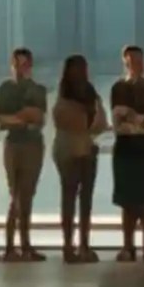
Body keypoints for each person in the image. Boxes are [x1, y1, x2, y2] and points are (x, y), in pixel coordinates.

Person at [52, 54, 107, 264]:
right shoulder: (63, 94)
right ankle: (68, 245)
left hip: (87, 149)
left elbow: (99, 121)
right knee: (69, 196)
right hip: (68, 151)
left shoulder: (90, 92)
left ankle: (84, 243)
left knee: (86, 199)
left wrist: (89, 117)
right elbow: (69, 120)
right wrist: (87, 116)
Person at [0, 47, 48, 262]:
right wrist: (23, 118)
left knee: (27, 196)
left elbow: (39, 120)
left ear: (30, 66)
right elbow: (0, 120)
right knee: (15, 194)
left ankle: (25, 244)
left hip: (33, 146)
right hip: (13, 145)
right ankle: (10, 246)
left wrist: (18, 119)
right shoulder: (5, 89)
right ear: (11, 65)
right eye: (17, 65)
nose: (20, 69)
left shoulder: (38, 90)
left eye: (24, 65)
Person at [110, 45, 144, 263]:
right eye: (131, 60)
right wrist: (137, 123)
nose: (136, 64)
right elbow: (117, 121)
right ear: (125, 61)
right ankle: (128, 246)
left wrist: (133, 121)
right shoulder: (118, 88)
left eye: (139, 59)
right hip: (126, 147)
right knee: (127, 200)